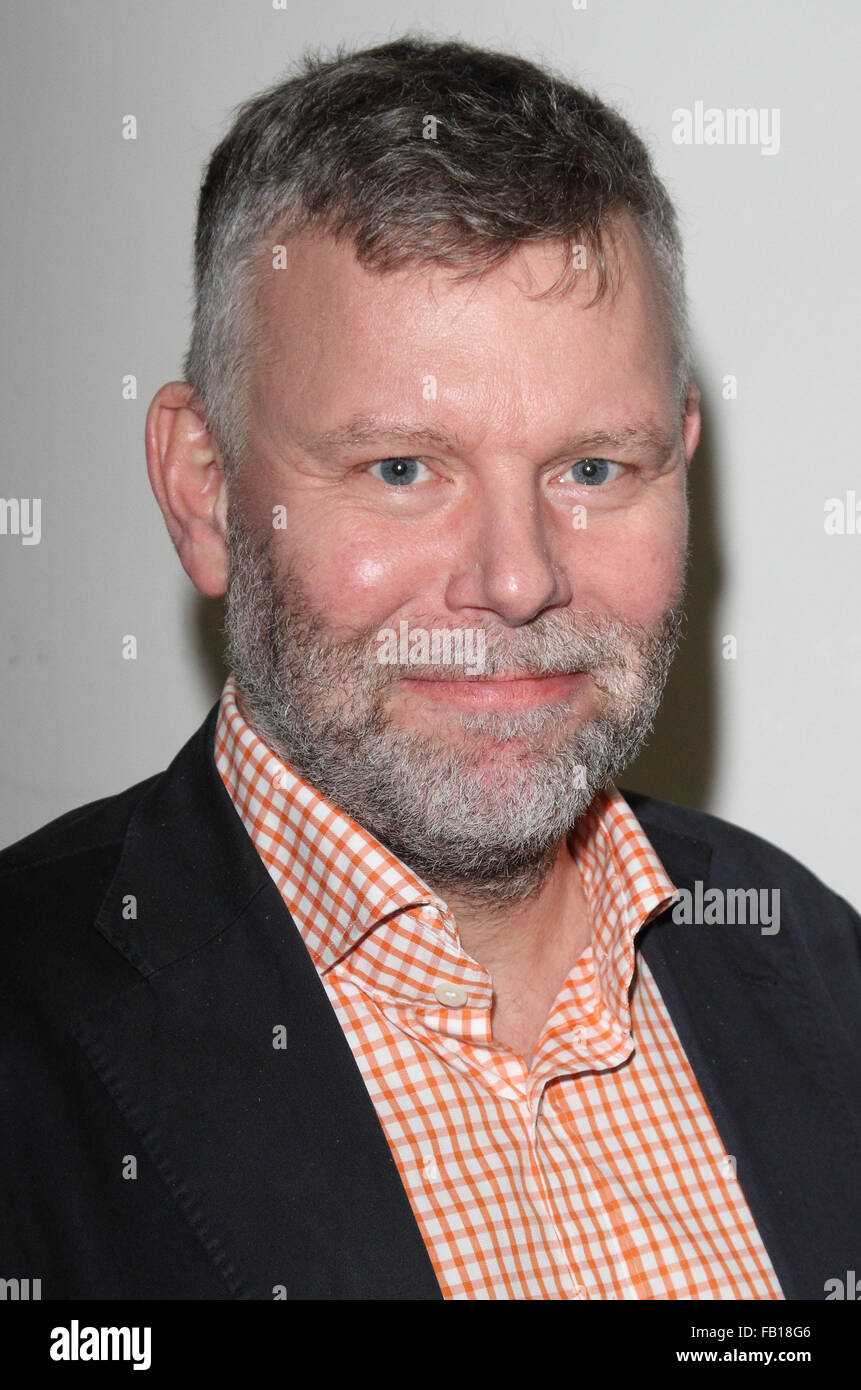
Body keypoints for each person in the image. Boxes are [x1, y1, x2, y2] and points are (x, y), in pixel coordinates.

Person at [1, 36, 859, 1303]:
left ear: (683, 464)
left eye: (592, 469)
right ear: (203, 490)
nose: (517, 581)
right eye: (401, 469)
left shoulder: (818, 965)